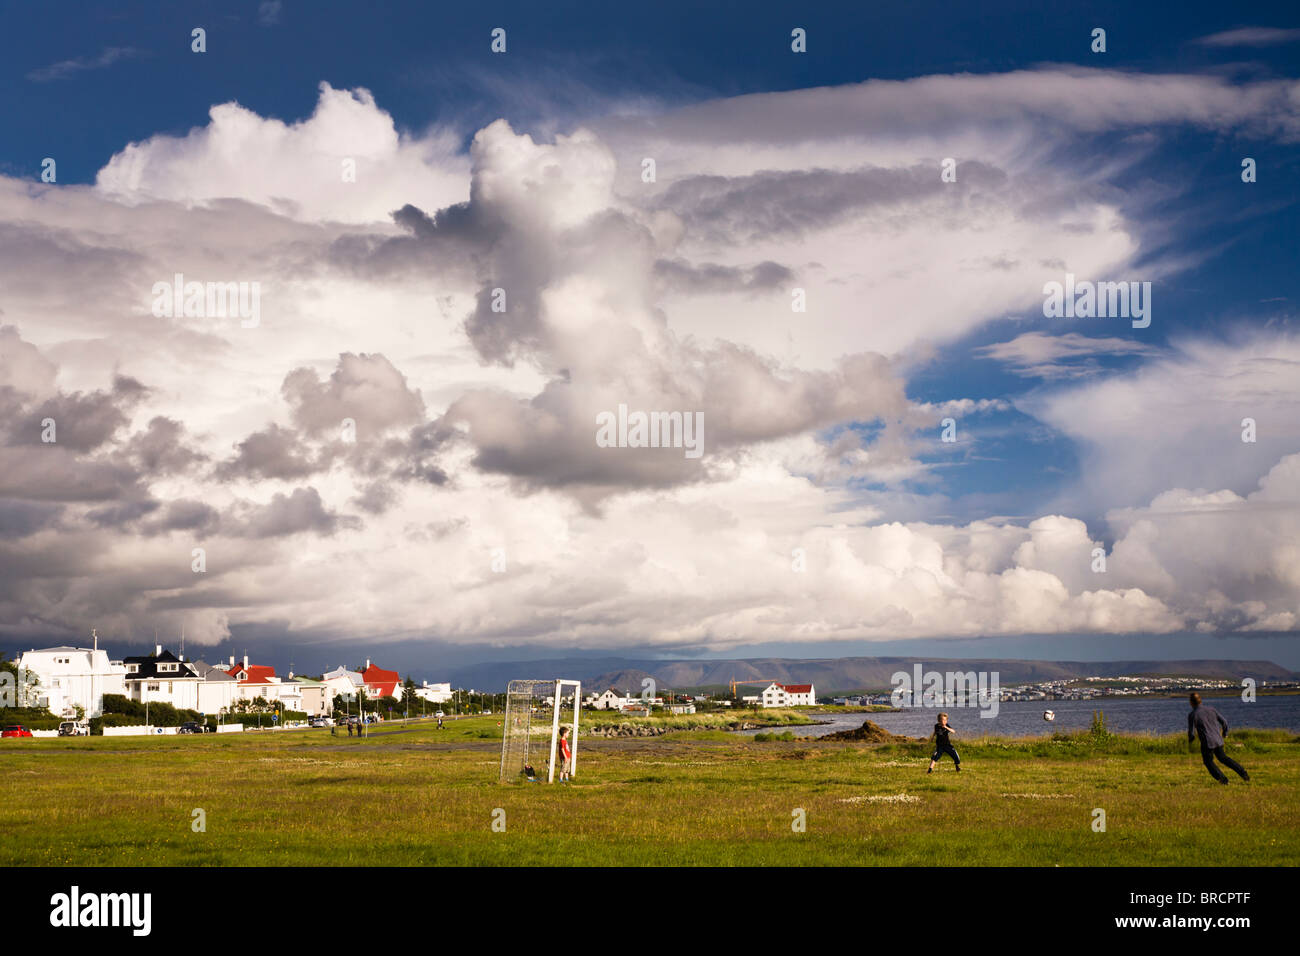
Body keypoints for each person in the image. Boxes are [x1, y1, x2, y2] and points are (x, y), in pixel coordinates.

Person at [1188, 692, 1249, 784]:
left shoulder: (1193, 715)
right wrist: (1225, 732)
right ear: (1200, 700)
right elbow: (1224, 722)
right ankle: (1243, 773)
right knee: (1223, 758)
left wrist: (1191, 740)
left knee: (1208, 762)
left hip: (1207, 742)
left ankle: (1223, 780)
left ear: (1191, 703)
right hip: (1218, 740)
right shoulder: (1211, 709)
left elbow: (1191, 732)